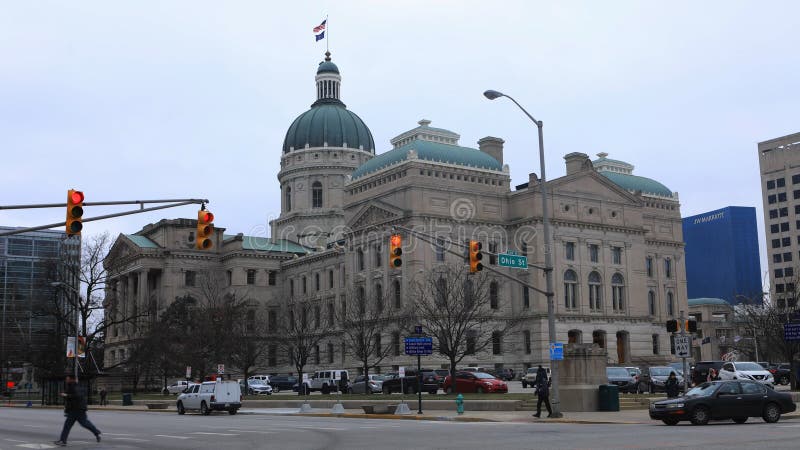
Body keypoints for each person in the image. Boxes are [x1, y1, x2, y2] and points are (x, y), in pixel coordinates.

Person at [54, 375, 101, 446]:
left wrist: (66, 395)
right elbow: (72, 398)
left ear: (71, 379)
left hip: (76, 409)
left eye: (67, 379)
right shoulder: (74, 386)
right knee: (84, 423)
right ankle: (96, 432)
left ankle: (63, 441)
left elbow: (76, 396)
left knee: (69, 425)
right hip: (78, 409)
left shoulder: (74, 386)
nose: (66, 380)